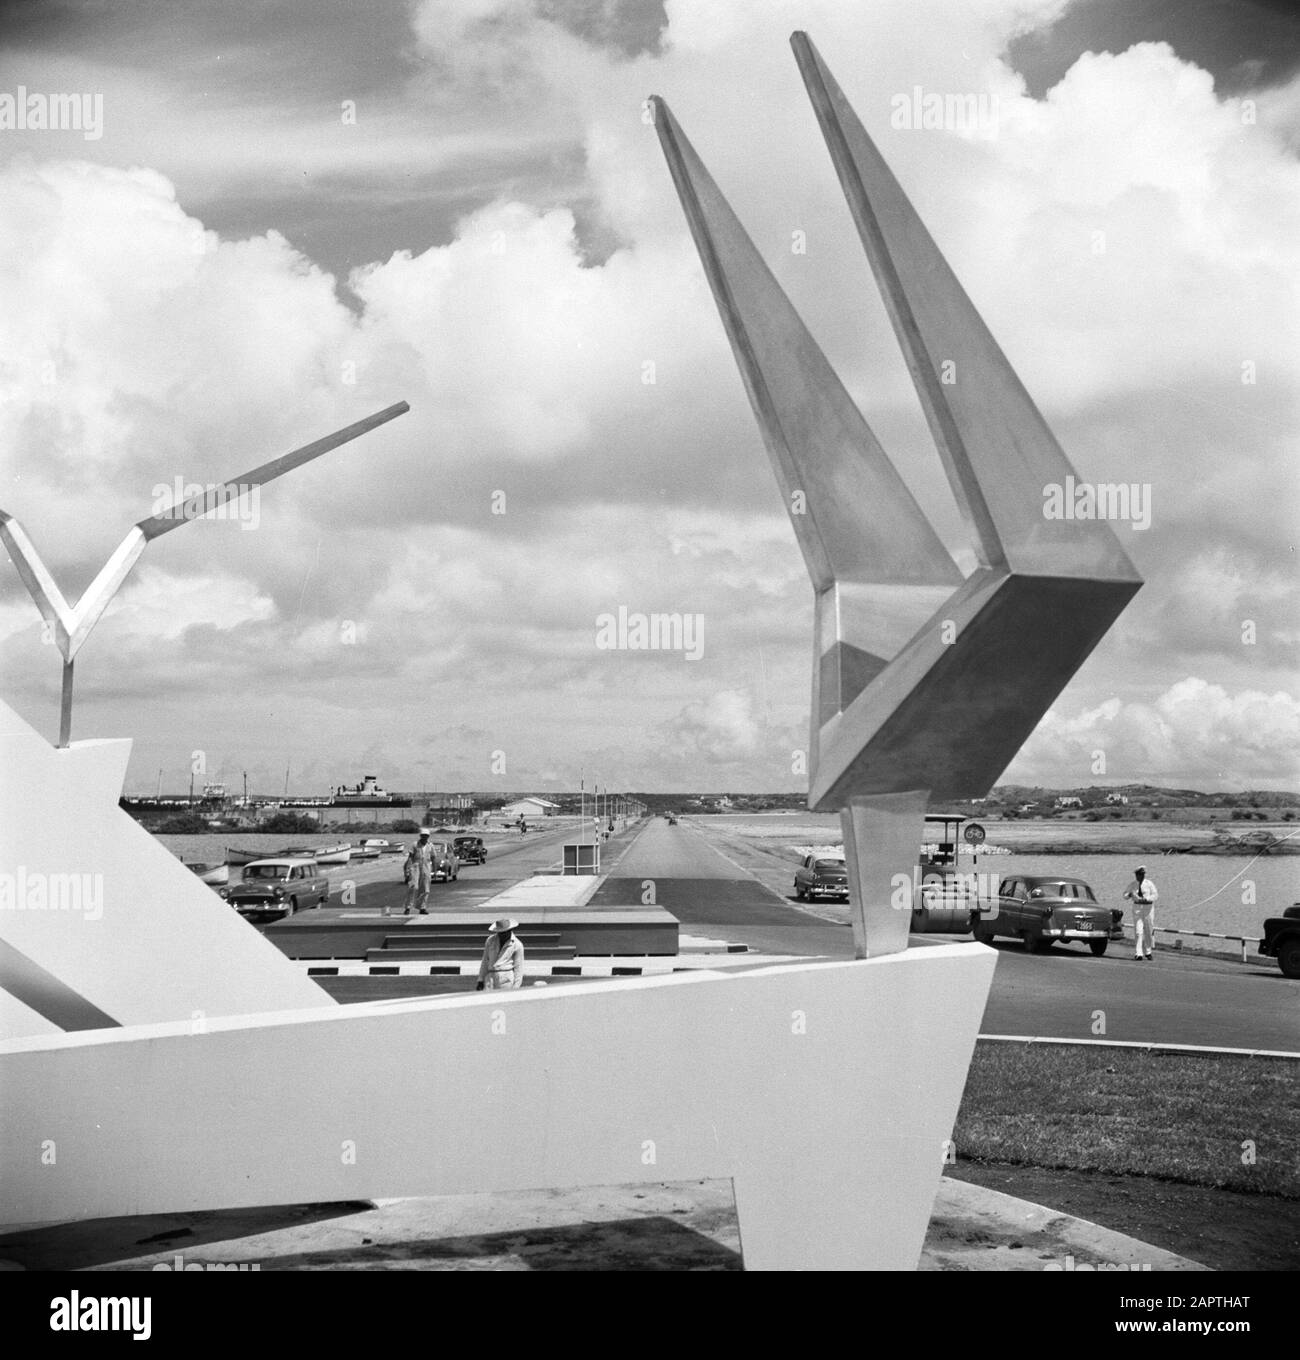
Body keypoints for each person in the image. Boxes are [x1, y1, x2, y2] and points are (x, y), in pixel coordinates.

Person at [476, 917, 525, 990]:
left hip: (506, 978)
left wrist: (516, 987)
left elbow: (519, 968)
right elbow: (485, 961)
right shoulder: (490, 940)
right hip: (490, 978)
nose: (503, 935)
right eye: (501, 933)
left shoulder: (517, 945)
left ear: (510, 930)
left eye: (505, 932)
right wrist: (480, 979)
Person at [1122, 865, 1158, 960]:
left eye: (1142, 874)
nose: (1140, 876)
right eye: (1138, 875)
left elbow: (1155, 895)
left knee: (1148, 931)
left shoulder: (1149, 884)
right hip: (1137, 908)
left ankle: (1148, 951)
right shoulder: (1133, 884)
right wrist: (1129, 894)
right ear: (1136, 875)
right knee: (1138, 932)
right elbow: (1124, 895)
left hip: (1148, 909)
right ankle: (1138, 953)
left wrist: (1147, 899)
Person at [402, 829, 433, 916]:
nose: (424, 837)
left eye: (426, 836)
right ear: (420, 836)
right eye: (423, 835)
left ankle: (422, 907)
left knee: (425, 888)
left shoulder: (430, 845)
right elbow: (410, 857)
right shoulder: (415, 844)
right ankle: (408, 907)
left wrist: (433, 870)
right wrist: (408, 869)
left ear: (428, 836)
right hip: (416, 866)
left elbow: (433, 857)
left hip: (426, 866)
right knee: (413, 886)